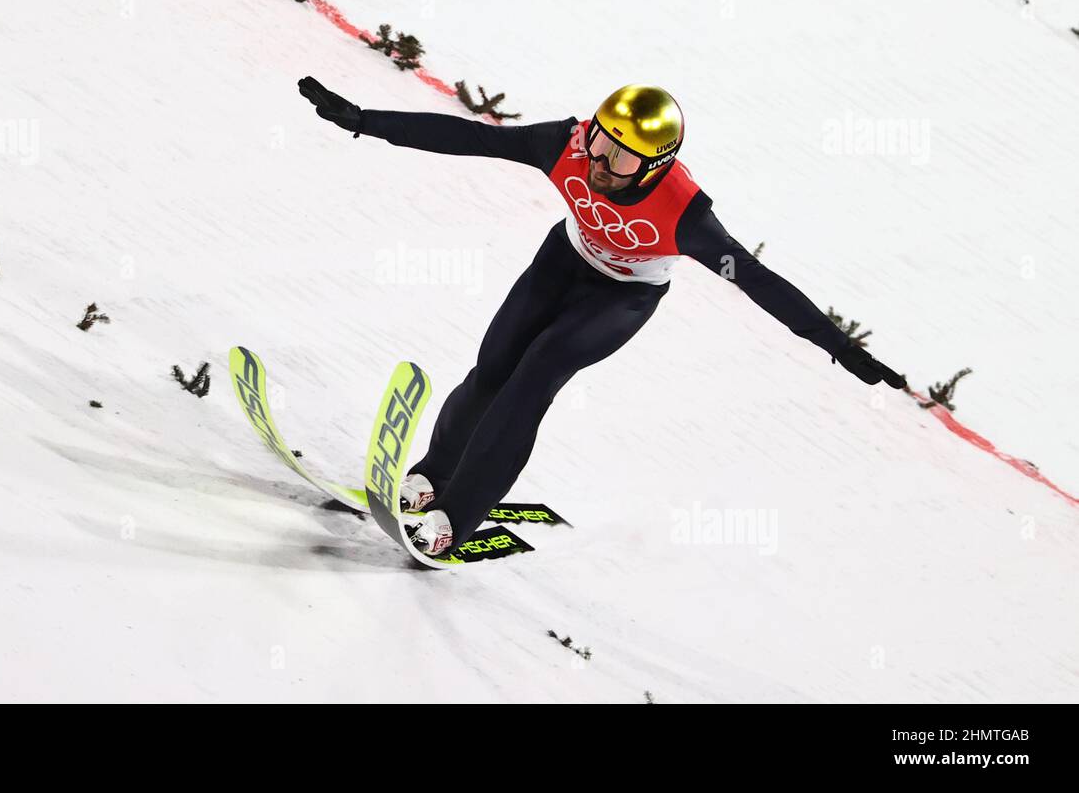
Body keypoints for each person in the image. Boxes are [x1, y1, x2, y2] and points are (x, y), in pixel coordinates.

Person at [298, 76, 906, 555]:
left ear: (654, 166)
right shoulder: (565, 143)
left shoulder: (686, 218)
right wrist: (364, 122)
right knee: (492, 367)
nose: (597, 161)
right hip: (562, 260)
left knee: (532, 379)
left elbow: (763, 284)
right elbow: (470, 137)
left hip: (622, 297)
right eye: (599, 141)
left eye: (617, 157)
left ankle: (456, 518)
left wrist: (842, 348)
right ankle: (433, 474)